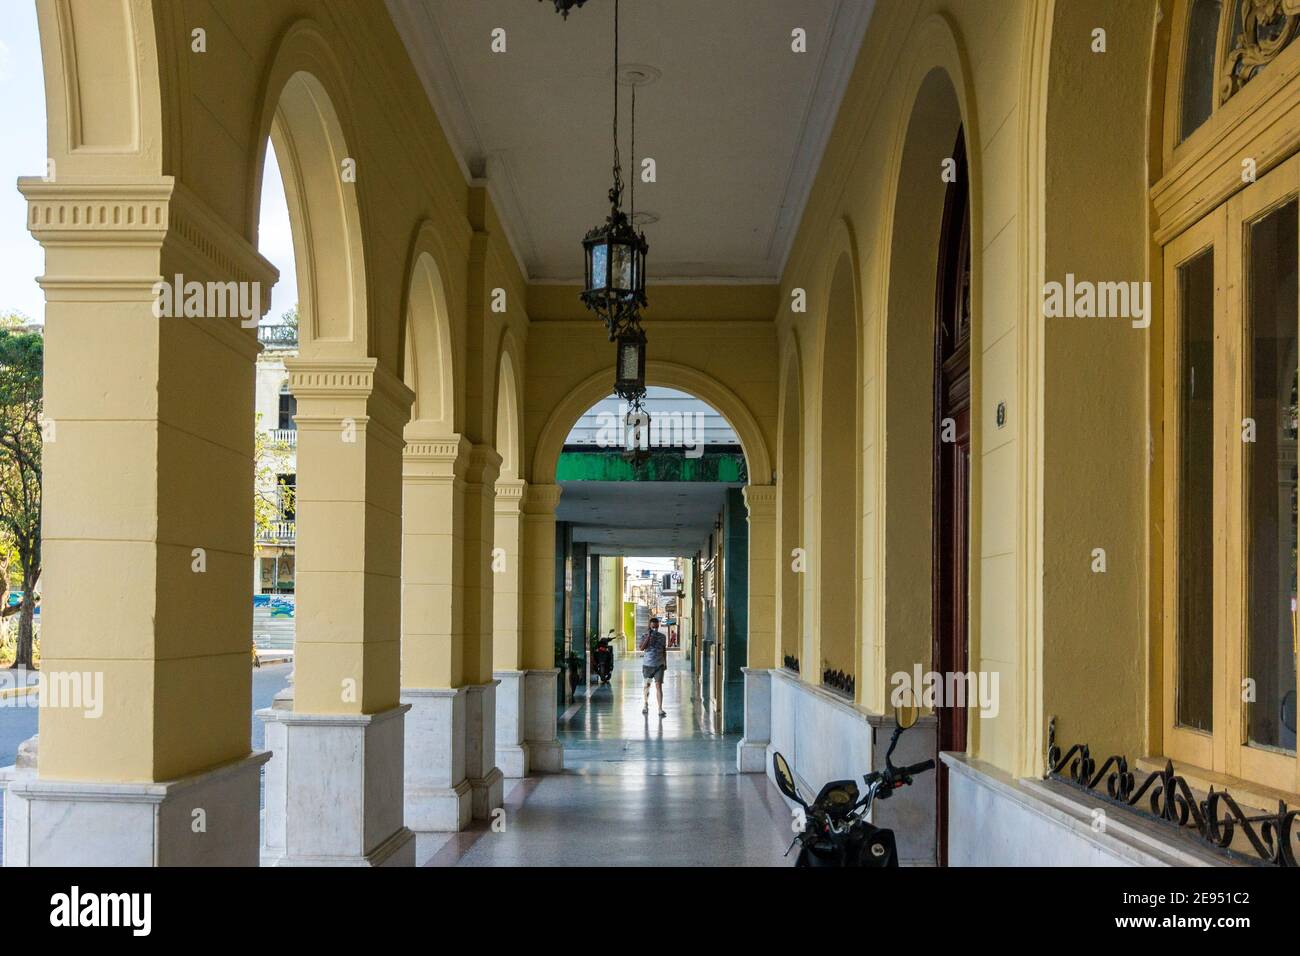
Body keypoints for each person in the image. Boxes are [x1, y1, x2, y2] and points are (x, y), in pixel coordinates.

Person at [639, 615, 668, 717]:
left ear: (658, 626)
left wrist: (665, 663)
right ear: (649, 626)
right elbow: (642, 648)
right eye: (653, 627)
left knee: (658, 686)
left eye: (656, 627)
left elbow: (664, 650)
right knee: (647, 686)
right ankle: (645, 704)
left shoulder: (662, 637)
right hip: (647, 665)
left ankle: (660, 708)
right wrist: (648, 637)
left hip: (659, 664)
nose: (655, 629)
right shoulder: (644, 635)